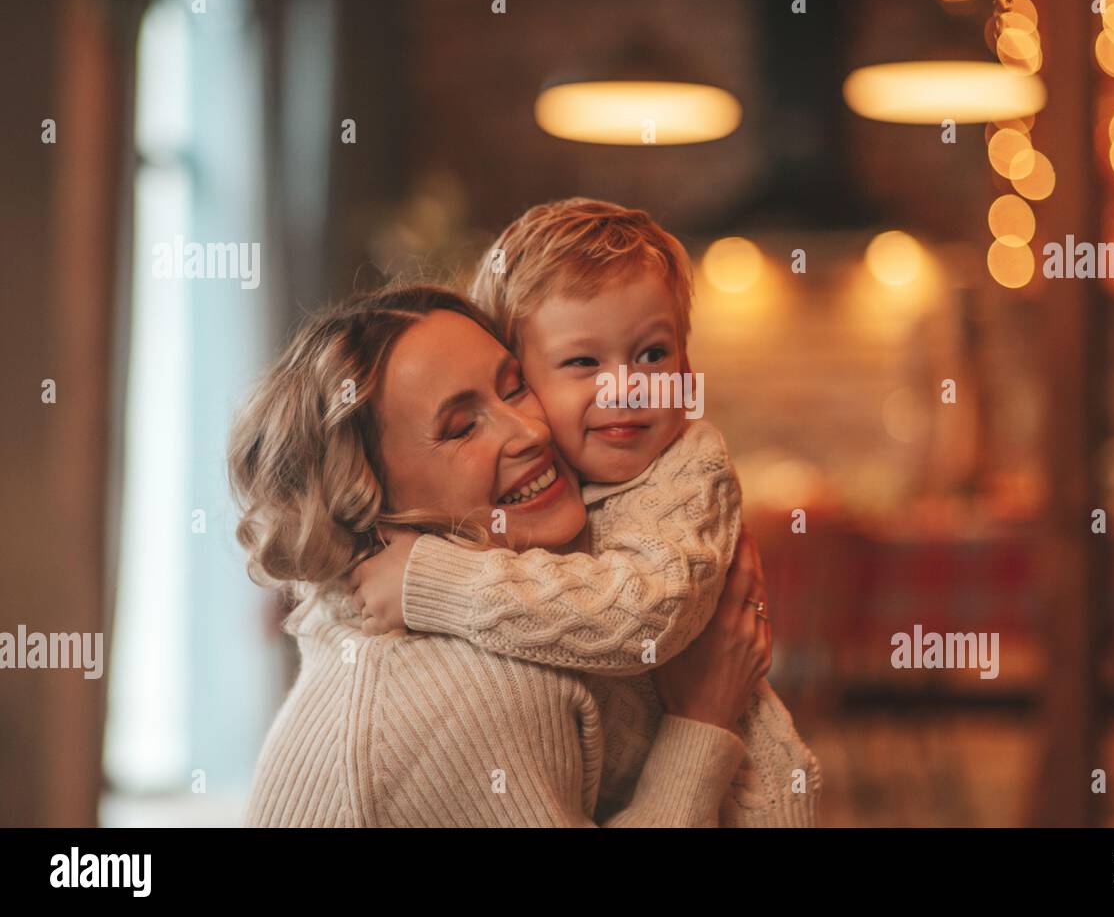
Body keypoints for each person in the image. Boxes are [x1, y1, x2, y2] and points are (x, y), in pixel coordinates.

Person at [350, 199, 821, 826]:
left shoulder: (690, 469)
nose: (624, 386)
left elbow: (640, 617)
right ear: (523, 379)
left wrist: (434, 581)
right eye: (583, 363)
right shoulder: (547, 479)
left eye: (653, 355)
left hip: (749, 801)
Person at [232, 285, 771, 826]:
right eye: (462, 427)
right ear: (367, 498)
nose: (533, 431)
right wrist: (702, 724)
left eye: (516, 389)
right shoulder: (477, 690)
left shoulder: (372, 622)